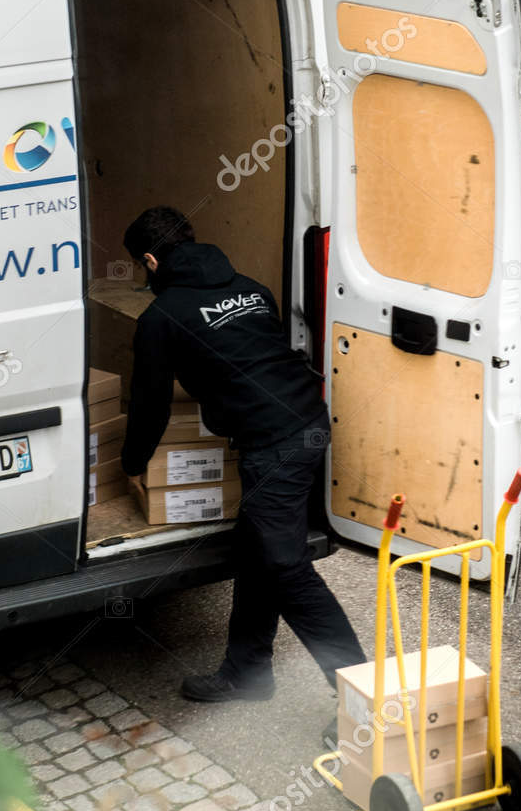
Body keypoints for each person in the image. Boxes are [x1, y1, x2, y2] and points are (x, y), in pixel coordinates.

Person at [119, 206, 366, 707]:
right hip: (309, 421)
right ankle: (246, 672)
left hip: (276, 444)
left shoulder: (160, 319)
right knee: (258, 552)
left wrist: (130, 465)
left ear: (149, 260)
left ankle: (366, 699)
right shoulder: (252, 288)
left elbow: (151, 407)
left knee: (285, 566)